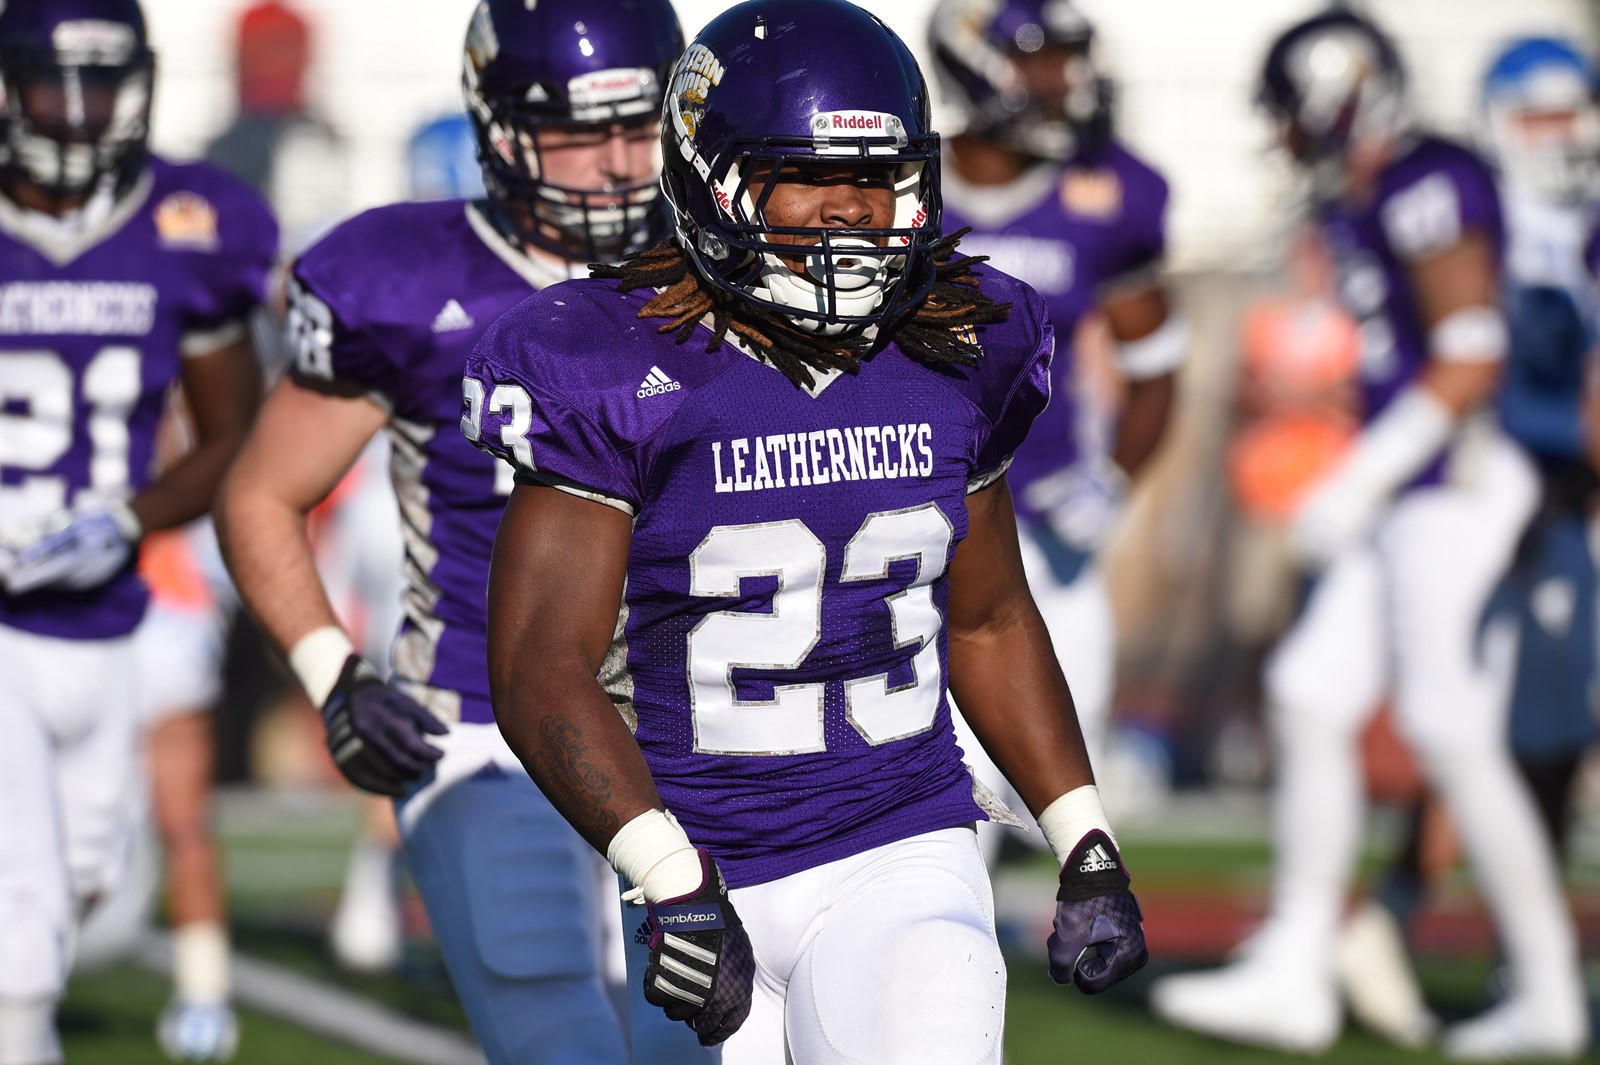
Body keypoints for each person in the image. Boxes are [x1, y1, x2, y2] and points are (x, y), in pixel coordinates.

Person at [463, 1, 1148, 1060]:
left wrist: (1082, 834)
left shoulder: (962, 342)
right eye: (810, 178)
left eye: (876, 182)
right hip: (695, 865)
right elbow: (537, 668)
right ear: (716, 181)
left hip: (900, 845)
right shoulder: (612, 364)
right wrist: (666, 873)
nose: (847, 213)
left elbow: (990, 617)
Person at [213, 2, 697, 1062]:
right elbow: (260, 493)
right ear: (502, 128)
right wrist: (332, 670)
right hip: (485, 728)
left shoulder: (725, 271)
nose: (620, 164)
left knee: (706, 1043)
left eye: (639, 127)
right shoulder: (402, 277)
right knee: (557, 1032)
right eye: (581, 132)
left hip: (695, 720)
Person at [1149, 12, 1588, 1061]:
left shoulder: (1424, 178)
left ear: (1335, 96)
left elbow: (1471, 352)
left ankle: (1548, 992)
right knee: (1308, 690)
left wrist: (1363, 475)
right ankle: (1296, 966)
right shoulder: (1362, 196)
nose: (1284, 137)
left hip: (1457, 483)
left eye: (1292, 115)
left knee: (1447, 726)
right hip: (1416, 484)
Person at [0, 0, 275, 1059]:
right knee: (21, 913)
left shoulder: (188, 221)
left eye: (103, 81)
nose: (77, 113)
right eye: (53, 84)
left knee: (89, 885)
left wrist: (129, 517)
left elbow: (231, 434)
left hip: (107, 617)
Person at [1333, 35, 1600, 1049]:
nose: (1559, 137)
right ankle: (1425, 932)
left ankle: (1419, 931)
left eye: (1569, 113)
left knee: (1532, 739)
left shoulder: (1575, 226)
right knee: (1470, 730)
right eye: (1537, 115)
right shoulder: (1469, 207)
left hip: (1555, 501)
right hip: (1479, 492)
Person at [928, 0, 1182, 844]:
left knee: (1059, 785)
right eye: (1041, 59)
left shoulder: (1107, 196)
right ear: (978, 64)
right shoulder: (899, 189)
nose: (1065, 81)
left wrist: (1111, 482)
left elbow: (1156, 369)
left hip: (1046, 521)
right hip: (920, 510)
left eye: (1070, 59)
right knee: (949, 775)